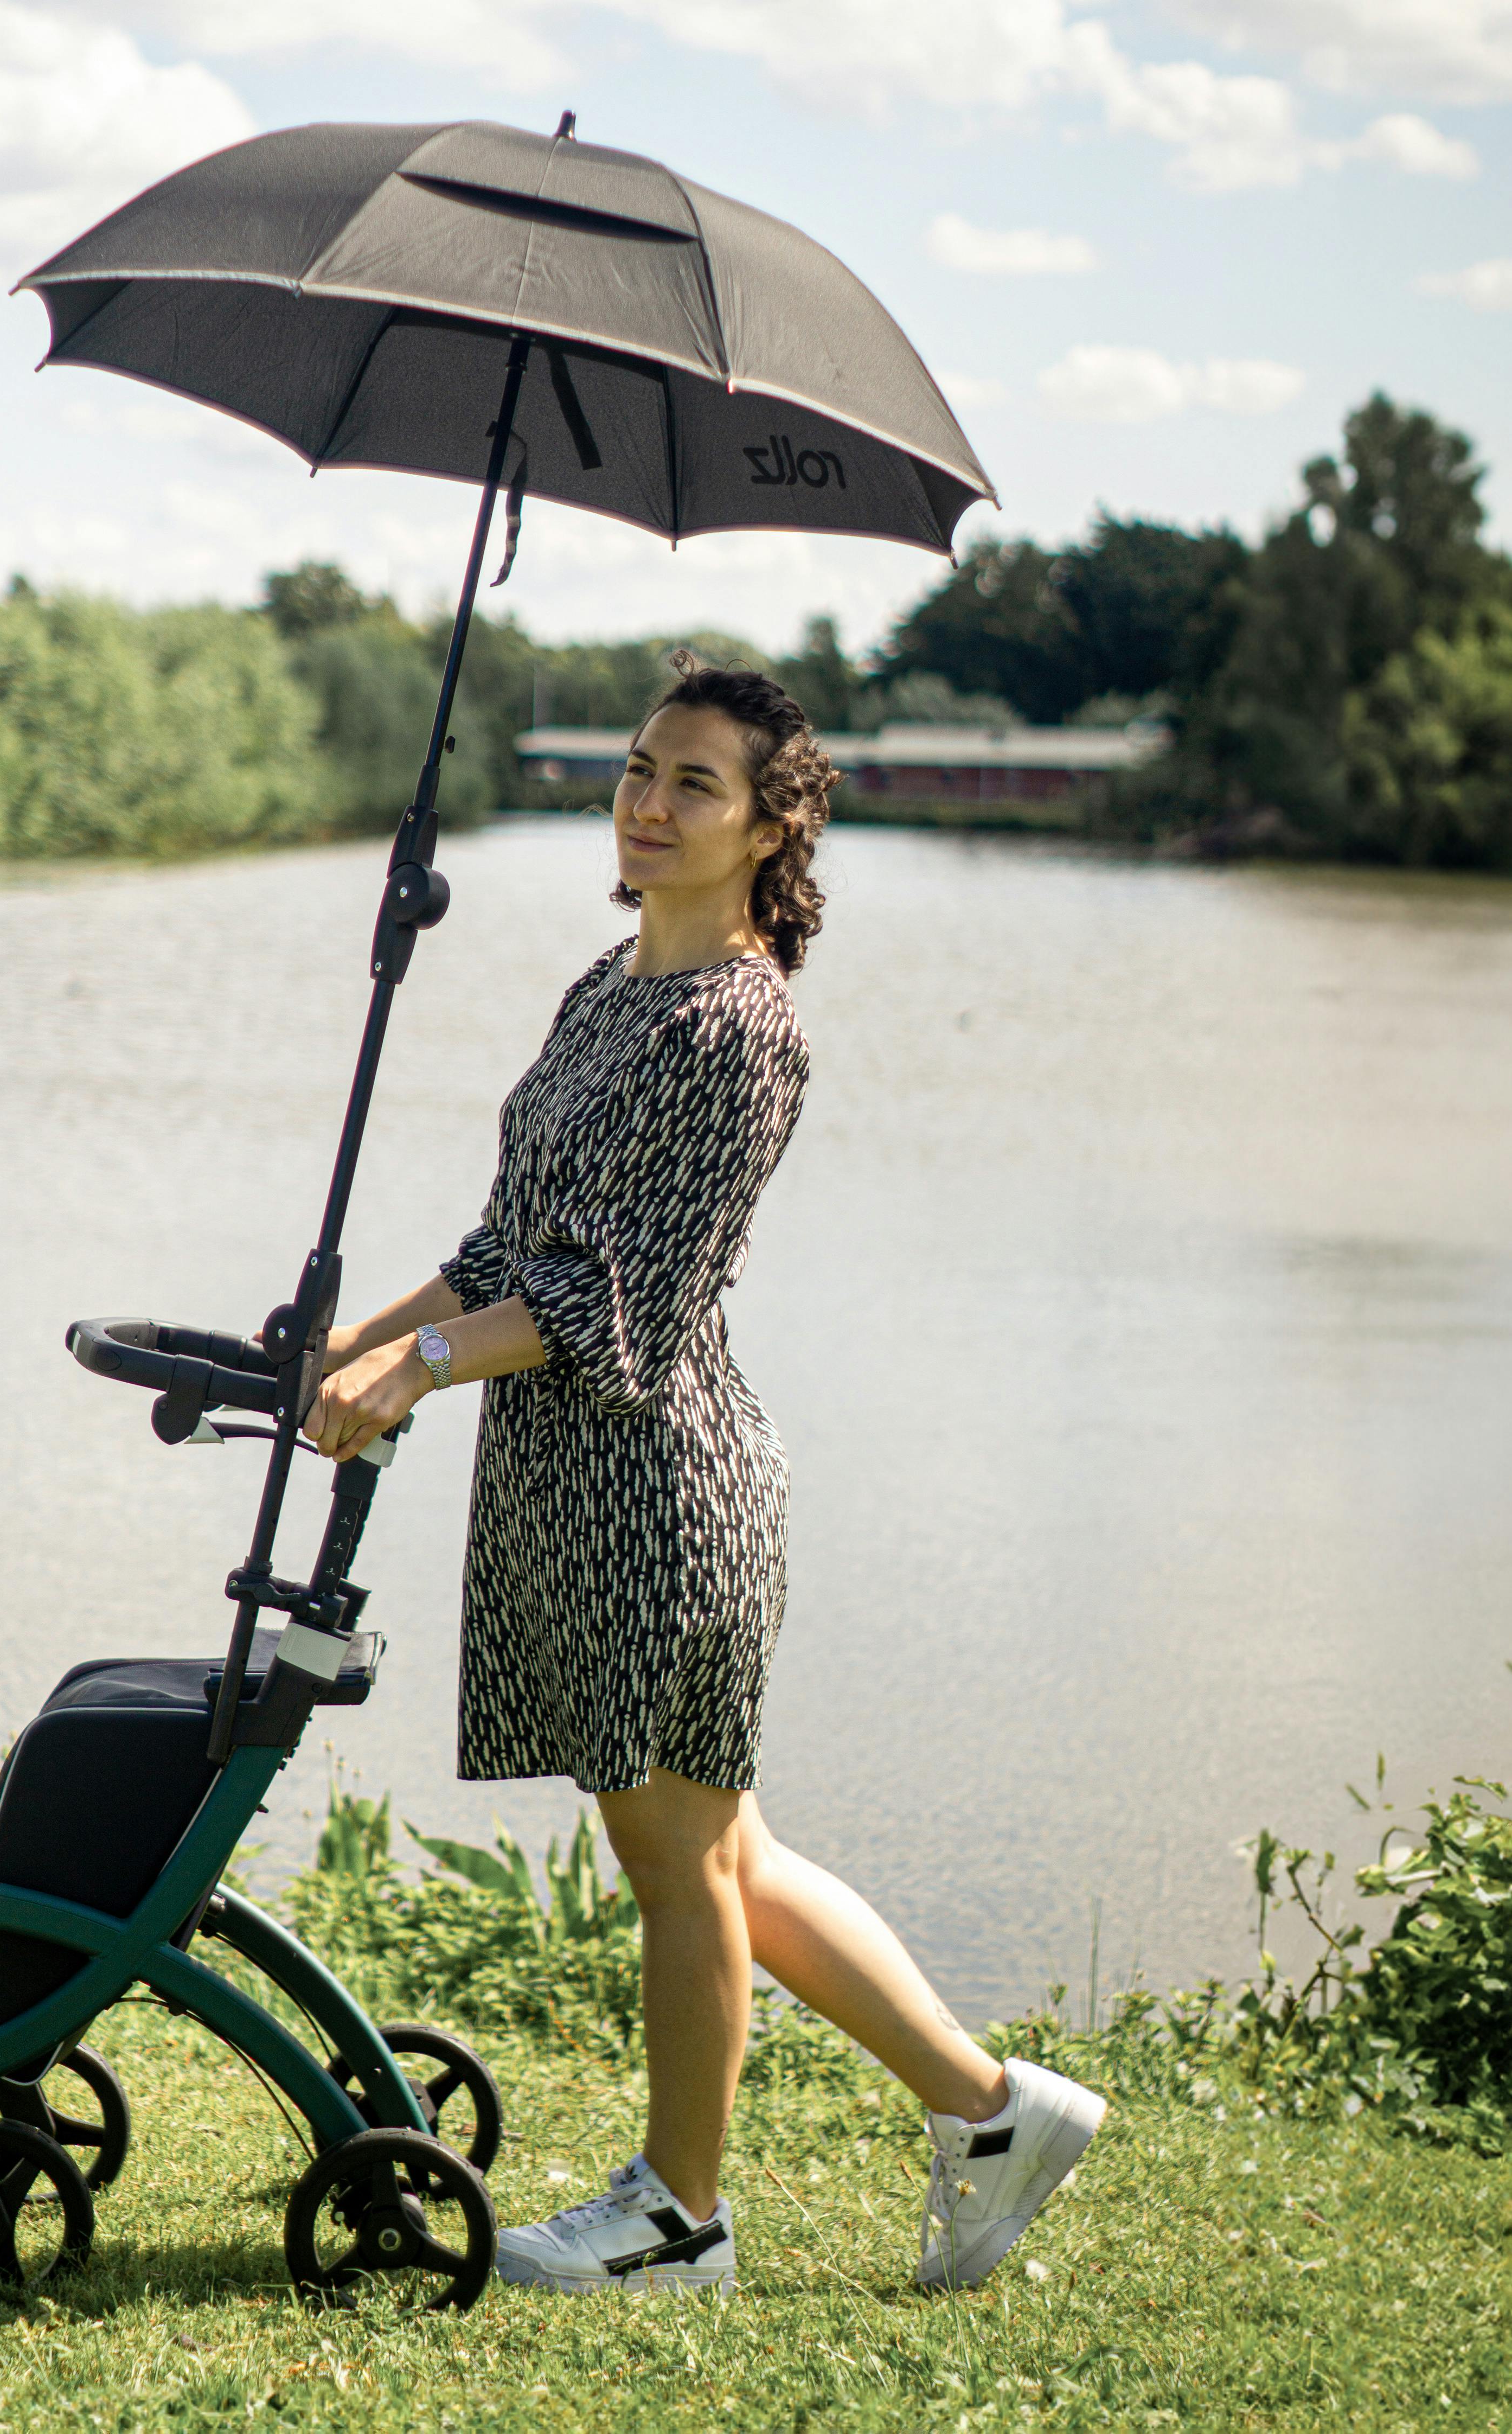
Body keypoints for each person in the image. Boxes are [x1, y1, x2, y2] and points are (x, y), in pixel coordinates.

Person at [304, 652, 1103, 2297]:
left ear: (768, 827)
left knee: (677, 1861)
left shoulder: (741, 1027)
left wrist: (422, 1366)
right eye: (638, 769)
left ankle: (681, 2217)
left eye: (696, 784)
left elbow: (623, 1296)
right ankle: (993, 2110)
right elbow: (512, 1246)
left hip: (662, 1493)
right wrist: (351, 1340)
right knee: (722, 1853)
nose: (650, 804)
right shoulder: (609, 986)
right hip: (572, 1480)